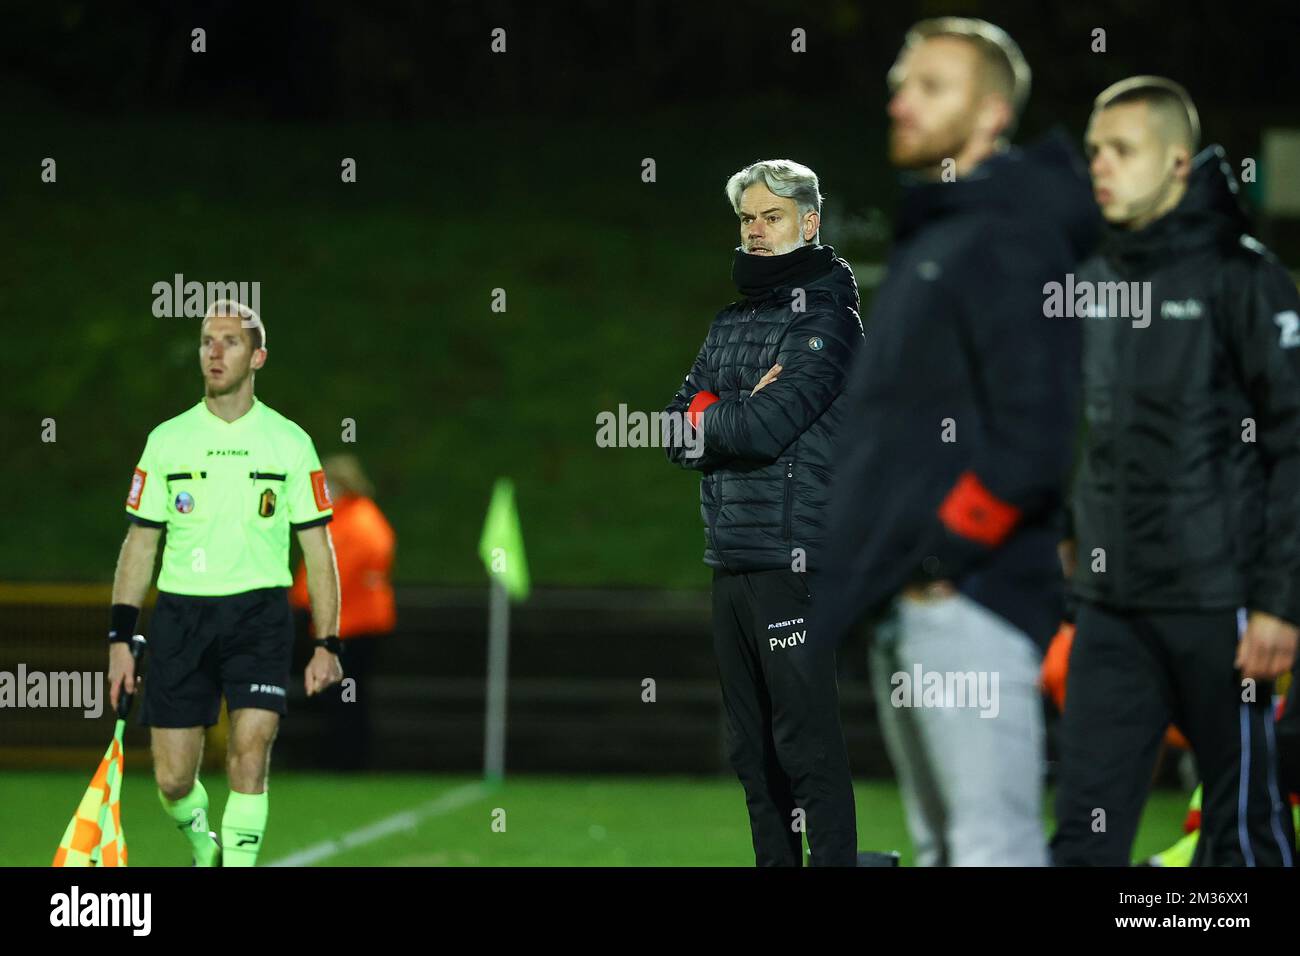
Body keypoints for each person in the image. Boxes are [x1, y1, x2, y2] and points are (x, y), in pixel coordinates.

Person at [821, 17, 1097, 866]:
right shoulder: (942, 226)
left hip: (967, 600)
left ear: (991, 114)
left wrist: (942, 558)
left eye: (931, 88)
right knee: (948, 848)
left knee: (991, 849)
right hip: (918, 601)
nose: (901, 103)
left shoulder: (1006, 230)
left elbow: (1035, 429)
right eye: (902, 84)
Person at [1052, 77, 1300, 867]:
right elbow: (1074, 431)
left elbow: (1294, 443)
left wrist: (1278, 603)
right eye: (1095, 150)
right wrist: (1068, 534)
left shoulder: (1243, 277)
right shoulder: (1089, 279)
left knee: (1245, 837)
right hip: (1110, 610)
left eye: (1122, 150)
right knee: (1081, 839)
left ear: (1178, 163)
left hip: (1218, 608)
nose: (1101, 166)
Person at [663, 158, 863, 866]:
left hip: (794, 559)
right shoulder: (733, 321)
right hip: (732, 558)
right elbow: (669, 432)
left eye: (770, 217)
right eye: (747, 218)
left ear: (809, 223)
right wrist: (734, 408)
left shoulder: (827, 320)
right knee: (752, 752)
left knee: (804, 744)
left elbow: (760, 432)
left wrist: (716, 409)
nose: (755, 231)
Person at [107, 300, 343, 867]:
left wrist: (327, 642)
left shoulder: (290, 443)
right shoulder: (167, 439)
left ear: (257, 356)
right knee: (171, 779)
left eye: (230, 342)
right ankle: (203, 848)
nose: (214, 352)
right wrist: (120, 638)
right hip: (181, 617)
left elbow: (319, 549)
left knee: (249, 753)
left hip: (259, 616)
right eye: (207, 341)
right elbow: (141, 543)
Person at [290, 454, 396, 770]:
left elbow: (332, 574)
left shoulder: (354, 521)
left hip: (351, 624)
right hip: (357, 620)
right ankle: (346, 757)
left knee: (344, 696)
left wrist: (302, 600)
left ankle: (345, 759)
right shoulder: (358, 517)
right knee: (347, 695)